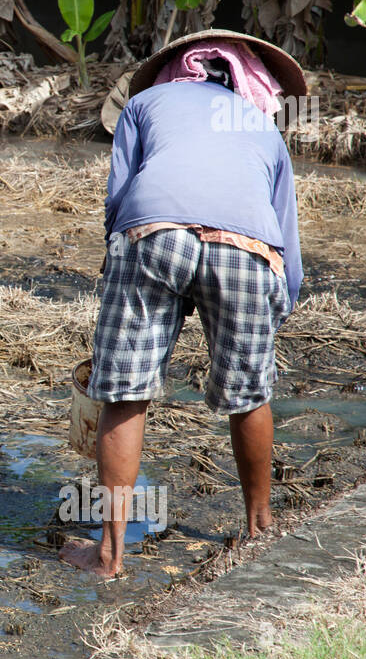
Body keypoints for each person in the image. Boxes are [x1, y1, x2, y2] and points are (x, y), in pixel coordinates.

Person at [60, 29, 307, 579]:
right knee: (249, 392)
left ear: (178, 71)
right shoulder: (264, 130)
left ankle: (109, 555)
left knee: (124, 393)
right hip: (248, 251)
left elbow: (120, 198)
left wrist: (122, 268)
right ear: (249, 81)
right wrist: (276, 306)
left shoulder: (145, 103)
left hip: (153, 231)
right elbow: (284, 233)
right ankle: (259, 531)